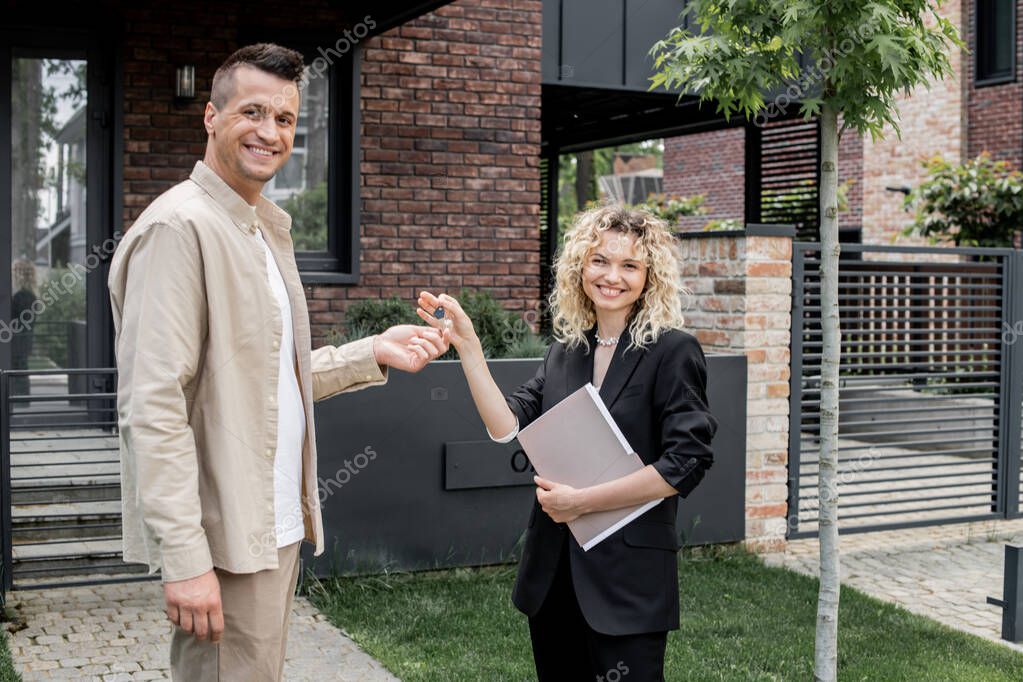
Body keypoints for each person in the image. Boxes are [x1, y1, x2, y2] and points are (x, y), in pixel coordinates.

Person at [107, 43, 449, 681]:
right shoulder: (181, 229)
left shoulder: (260, 228)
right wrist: (185, 558)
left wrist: (368, 352)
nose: (270, 132)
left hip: (270, 527)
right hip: (225, 538)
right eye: (252, 112)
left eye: (285, 119)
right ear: (211, 116)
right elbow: (152, 407)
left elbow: (258, 382)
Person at [416, 205, 718, 681]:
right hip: (553, 581)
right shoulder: (566, 350)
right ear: (580, 266)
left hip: (627, 584)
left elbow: (687, 462)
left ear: (649, 276)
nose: (611, 276)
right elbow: (506, 425)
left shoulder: (673, 352)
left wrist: (583, 501)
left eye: (629, 265)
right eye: (599, 260)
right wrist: (469, 346)